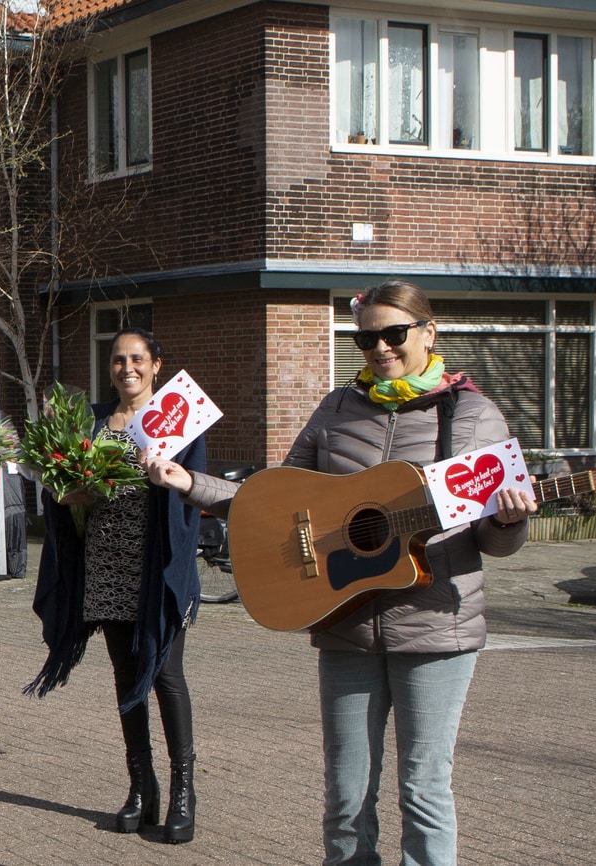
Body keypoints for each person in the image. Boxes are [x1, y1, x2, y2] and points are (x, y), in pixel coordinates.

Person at [147, 280, 537, 865]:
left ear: (429, 333)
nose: (380, 348)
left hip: (434, 629)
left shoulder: (474, 416)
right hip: (345, 623)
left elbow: (494, 543)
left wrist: (508, 522)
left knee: (424, 793)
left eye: (394, 335)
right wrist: (193, 484)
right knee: (345, 799)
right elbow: (275, 498)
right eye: (366, 338)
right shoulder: (336, 408)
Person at [26, 327, 205, 844]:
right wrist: (64, 493)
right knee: (127, 678)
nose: (127, 368)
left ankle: (182, 791)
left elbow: (194, 491)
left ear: (156, 364)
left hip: (155, 568)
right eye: (118, 360)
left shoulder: (178, 420)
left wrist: (165, 475)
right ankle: (140, 785)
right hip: (104, 566)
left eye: (137, 360)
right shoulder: (94, 420)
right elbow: (62, 482)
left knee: (165, 674)